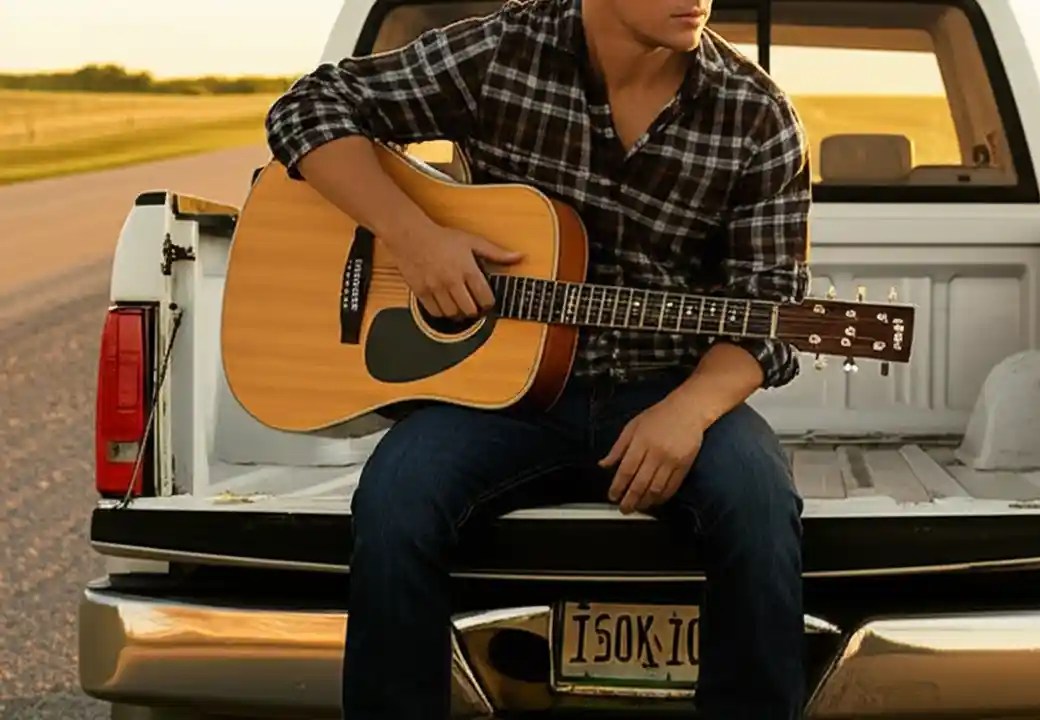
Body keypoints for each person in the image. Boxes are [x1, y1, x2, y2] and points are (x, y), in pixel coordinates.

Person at [263, 0, 812, 717]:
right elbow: (306, 108)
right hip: (497, 396)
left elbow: (769, 310)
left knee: (762, 506)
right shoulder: (503, 52)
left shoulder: (756, 115)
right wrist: (412, 236)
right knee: (395, 501)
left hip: (667, 388)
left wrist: (688, 410)